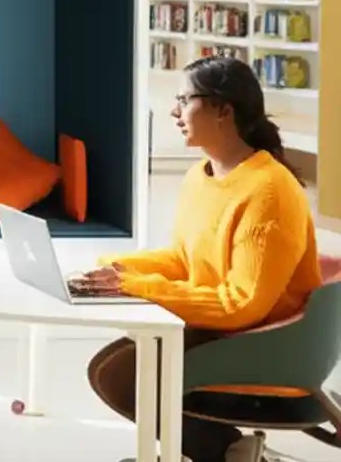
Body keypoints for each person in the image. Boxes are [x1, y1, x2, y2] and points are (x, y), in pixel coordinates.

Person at [79, 56, 322, 462]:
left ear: (223, 110)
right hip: (227, 325)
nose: (174, 111)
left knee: (123, 374)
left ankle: (229, 453)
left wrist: (136, 287)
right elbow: (184, 259)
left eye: (184, 100)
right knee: (117, 370)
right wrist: (117, 269)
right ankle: (233, 454)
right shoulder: (201, 175)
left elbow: (240, 303)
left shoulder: (269, 191)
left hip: (266, 338)